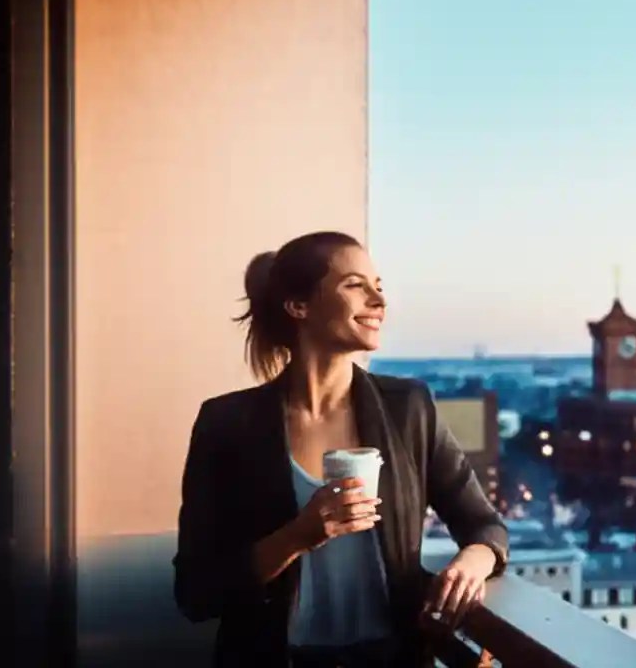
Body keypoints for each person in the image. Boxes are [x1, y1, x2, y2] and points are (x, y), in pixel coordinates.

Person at [173, 231, 507, 667]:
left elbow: (484, 526)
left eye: (378, 287)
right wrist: (297, 537)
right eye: (355, 285)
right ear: (299, 305)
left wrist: (470, 566)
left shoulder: (408, 409)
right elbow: (196, 592)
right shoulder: (227, 424)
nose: (379, 301)